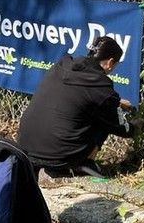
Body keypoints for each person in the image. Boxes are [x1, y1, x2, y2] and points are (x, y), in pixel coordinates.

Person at [17, 36, 135, 177]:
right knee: (102, 120)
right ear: (110, 62)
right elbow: (121, 128)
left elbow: (77, 96)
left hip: (25, 147)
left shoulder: (61, 66)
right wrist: (137, 125)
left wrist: (115, 101)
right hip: (58, 157)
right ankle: (82, 164)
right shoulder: (101, 86)